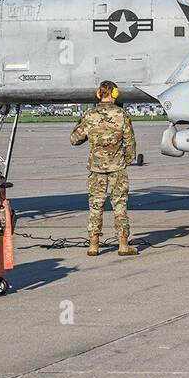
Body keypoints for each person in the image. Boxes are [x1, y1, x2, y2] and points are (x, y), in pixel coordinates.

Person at [71, 80, 138, 257]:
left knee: (95, 206)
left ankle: (93, 246)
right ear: (114, 94)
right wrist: (127, 160)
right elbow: (130, 143)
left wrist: (92, 135)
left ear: (99, 94)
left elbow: (74, 139)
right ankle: (123, 245)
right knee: (120, 206)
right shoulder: (121, 115)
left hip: (96, 169)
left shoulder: (90, 115)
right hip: (117, 168)